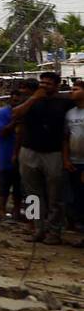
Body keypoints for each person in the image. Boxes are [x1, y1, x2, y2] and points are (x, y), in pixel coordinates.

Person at [12, 71, 74, 244]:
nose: (44, 86)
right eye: (42, 82)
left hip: (54, 153)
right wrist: (34, 99)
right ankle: (37, 228)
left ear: (56, 85)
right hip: (29, 150)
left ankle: (54, 232)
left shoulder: (65, 102)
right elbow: (15, 114)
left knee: (56, 196)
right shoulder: (30, 101)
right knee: (32, 194)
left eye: (48, 83)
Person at [0, 81, 32, 221]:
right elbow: (2, 132)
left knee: (20, 187)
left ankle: (19, 213)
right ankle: (2, 211)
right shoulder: (3, 113)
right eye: (15, 98)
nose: (17, 101)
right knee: (5, 184)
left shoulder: (28, 112)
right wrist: (15, 122)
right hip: (6, 154)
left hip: (24, 156)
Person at [65, 79, 84, 233]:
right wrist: (66, 159)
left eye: (76, 89)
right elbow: (65, 138)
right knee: (76, 197)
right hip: (73, 162)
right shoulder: (70, 113)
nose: (72, 92)